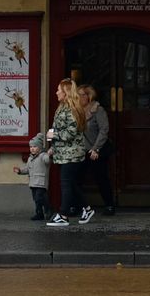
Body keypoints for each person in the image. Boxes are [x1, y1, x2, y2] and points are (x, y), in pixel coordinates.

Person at [44, 79, 91, 227]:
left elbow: (71, 132)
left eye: (59, 90)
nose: (56, 92)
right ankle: (87, 209)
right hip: (63, 152)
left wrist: (54, 136)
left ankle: (63, 215)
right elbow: (57, 128)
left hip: (72, 153)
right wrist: (53, 145)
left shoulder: (71, 110)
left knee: (66, 183)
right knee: (71, 183)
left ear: (66, 93)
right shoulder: (62, 107)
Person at [82, 84, 117, 217]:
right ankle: (76, 206)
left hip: (98, 150)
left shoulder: (98, 110)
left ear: (88, 96)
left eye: (81, 95)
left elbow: (104, 130)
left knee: (101, 177)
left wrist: (95, 149)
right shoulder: (76, 110)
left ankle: (109, 205)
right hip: (82, 150)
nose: (78, 98)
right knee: (77, 178)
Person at [13, 129, 52, 221]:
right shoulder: (30, 158)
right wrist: (20, 171)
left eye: (35, 146)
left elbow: (47, 161)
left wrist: (49, 154)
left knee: (39, 198)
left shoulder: (43, 156)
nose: (32, 148)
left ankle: (48, 209)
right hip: (33, 182)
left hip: (41, 182)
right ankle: (39, 214)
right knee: (36, 200)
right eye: (31, 147)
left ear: (40, 147)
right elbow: (27, 169)